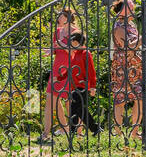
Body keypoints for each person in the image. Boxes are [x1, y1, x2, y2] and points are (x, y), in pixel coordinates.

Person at [38, 8, 78, 144]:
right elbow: (57, 50)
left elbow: (74, 52)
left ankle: (72, 130)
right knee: (51, 99)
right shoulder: (57, 32)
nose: (58, 18)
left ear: (67, 17)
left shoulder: (76, 32)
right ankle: (46, 133)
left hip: (68, 69)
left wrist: (61, 44)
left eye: (60, 16)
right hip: (56, 69)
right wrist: (51, 50)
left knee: (67, 101)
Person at [110, 0, 145, 142]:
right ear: (124, 10)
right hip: (122, 68)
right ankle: (119, 135)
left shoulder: (132, 25)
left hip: (135, 68)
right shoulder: (118, 27)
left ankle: (135, 131)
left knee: (140, 98)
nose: (133, 9)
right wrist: (144, 38)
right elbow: (128, 48)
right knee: (120, 100)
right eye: (130, 7)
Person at [66, 31, 100, 136]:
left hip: (82, 86)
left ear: (76, 42)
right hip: (74, 86)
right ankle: (95, 129)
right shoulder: (74, 54)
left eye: (71, 41)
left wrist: (93, 87)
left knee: (76, 110)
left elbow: (91, 71)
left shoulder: (86, 53)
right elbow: (71, 70)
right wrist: (59, 77)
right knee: (79, 110)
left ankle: (73, 131)